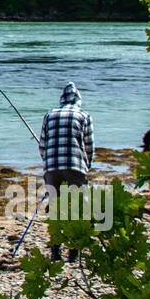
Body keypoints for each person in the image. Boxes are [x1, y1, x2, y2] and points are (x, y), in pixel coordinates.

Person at [37, 81, 94, 262]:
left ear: (62, 99)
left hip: (52, 166)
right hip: (75, 165)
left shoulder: (49, 115)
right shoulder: (84, 116)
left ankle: (55, 250)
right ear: (78, 100)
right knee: (78, 207)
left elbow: (43, 145)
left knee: (55, 207)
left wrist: (48, 163)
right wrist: (87, 166)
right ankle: (74, 251)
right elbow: (89, 145)